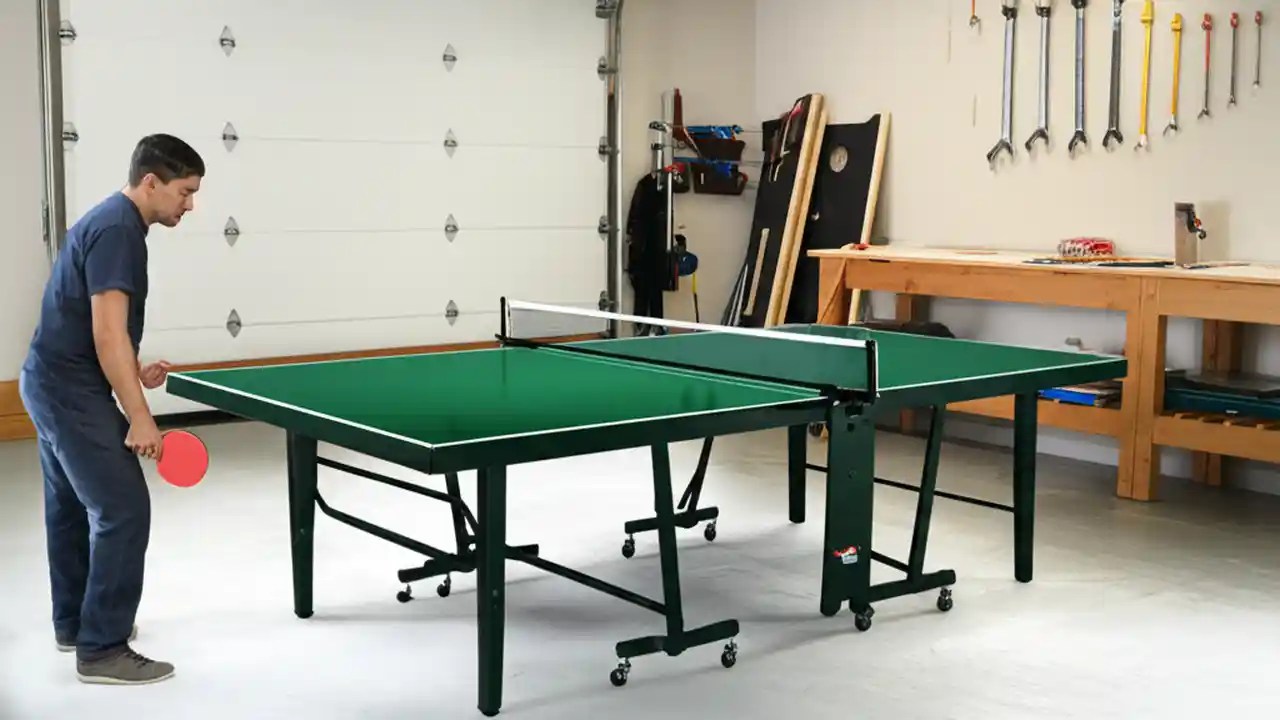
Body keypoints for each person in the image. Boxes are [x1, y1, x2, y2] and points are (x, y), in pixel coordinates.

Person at [19, 134, 204, 685]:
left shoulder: (108, 220)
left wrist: (134, 366)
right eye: (184, 192)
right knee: (123, 509)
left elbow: (103, 328)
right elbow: (105, 334)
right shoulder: (121, 231)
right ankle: (102, 649)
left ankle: (75, 624)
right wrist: (141, 415)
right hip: (69, 391)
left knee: (73, 507)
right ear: (152, 182)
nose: (189, 205)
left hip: (46, 381)